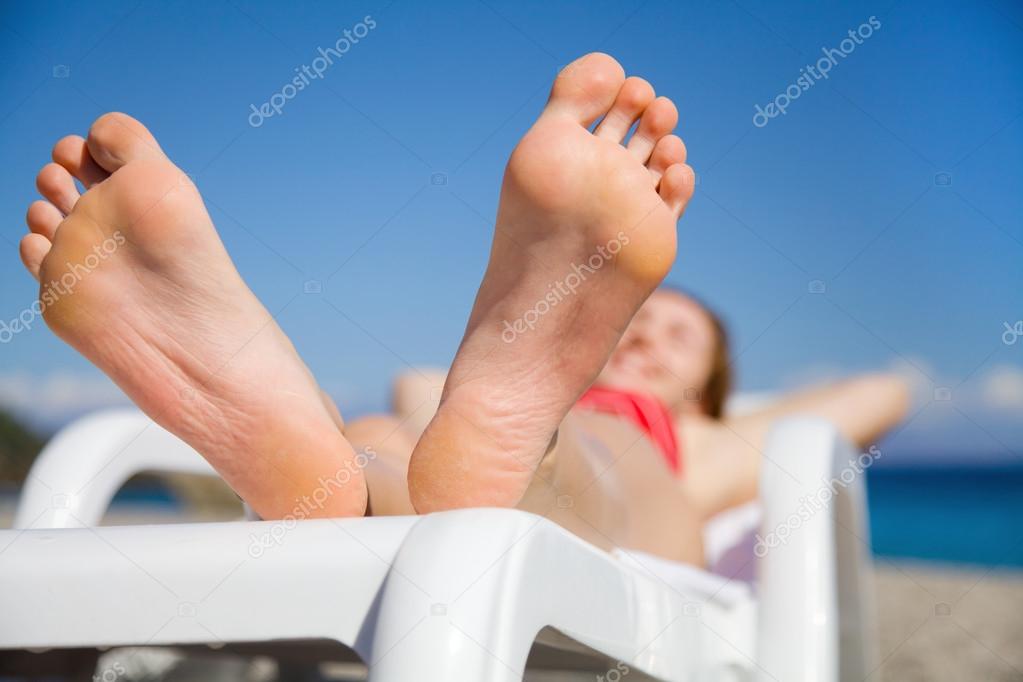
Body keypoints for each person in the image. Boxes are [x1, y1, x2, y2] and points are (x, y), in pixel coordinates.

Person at [17, 53, 907, 565]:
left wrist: (731, 414)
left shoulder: (709, 440)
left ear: (708, 386)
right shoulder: (524, 398)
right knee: (392, 436)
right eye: (636, 321)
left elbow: (880, 392)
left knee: (543, 448)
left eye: (678, 340)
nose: (645, 340)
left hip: (618, 459)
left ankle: (494, 452)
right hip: (461, 433)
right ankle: (332, 449)